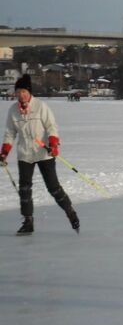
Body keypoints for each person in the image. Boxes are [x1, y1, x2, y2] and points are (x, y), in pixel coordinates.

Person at [1, 75, 79, 235]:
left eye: (23, 91)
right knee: (24, 188)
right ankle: (28, 221)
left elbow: (51, 127)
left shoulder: (40, 106)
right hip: (25, 154)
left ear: (29, 92)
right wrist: (4, 153)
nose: (20, 95)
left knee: (53, 187)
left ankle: (70, 212)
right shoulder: (13, 110)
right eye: (18, 92)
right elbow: (9, 133)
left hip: (44, 153)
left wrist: (53, 144)